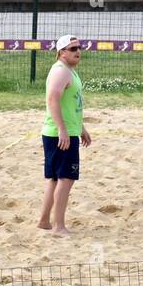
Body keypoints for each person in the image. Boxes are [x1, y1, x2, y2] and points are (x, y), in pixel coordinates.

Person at [39, 35, 91, 237]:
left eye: (79, 47)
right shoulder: (61, 72)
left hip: (64, 131)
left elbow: (71, 106)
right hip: (60, 134)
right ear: (61, 52)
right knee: (65, 178)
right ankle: (58, 226)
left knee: (53, 178)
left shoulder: (69, 71)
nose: (78, 51)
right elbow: (52, 100)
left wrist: (81, 128)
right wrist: (63, 130)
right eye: (73, 48)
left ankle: (44, 221)